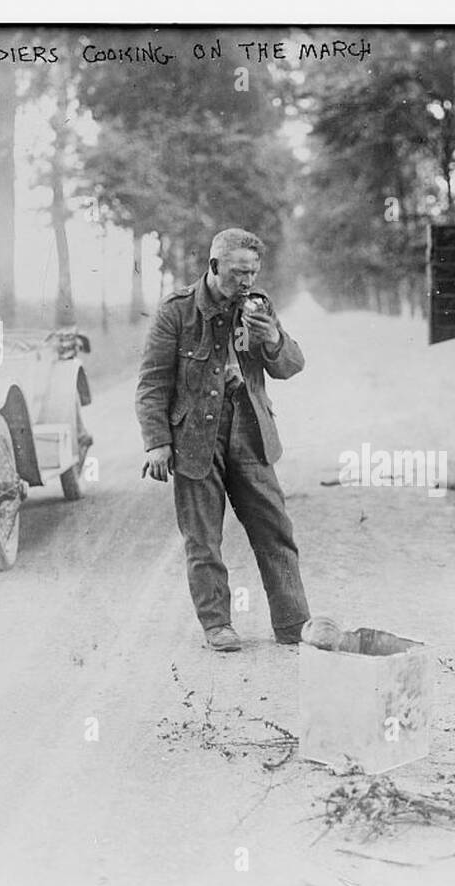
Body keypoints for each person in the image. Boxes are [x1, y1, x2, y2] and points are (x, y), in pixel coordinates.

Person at [136, 228, 310, 651]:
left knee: (275, 530)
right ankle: (218, 625)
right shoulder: (177, 312)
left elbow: (291, 366)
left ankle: (293, 624)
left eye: (252, 273)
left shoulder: (259, 307)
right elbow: (152, 383)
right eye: (237, 273)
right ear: (214, 267)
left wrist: (271, 337)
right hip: (196, 437)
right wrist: (157, 442)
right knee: (203, 538)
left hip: (249, 432)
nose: (246, 282)